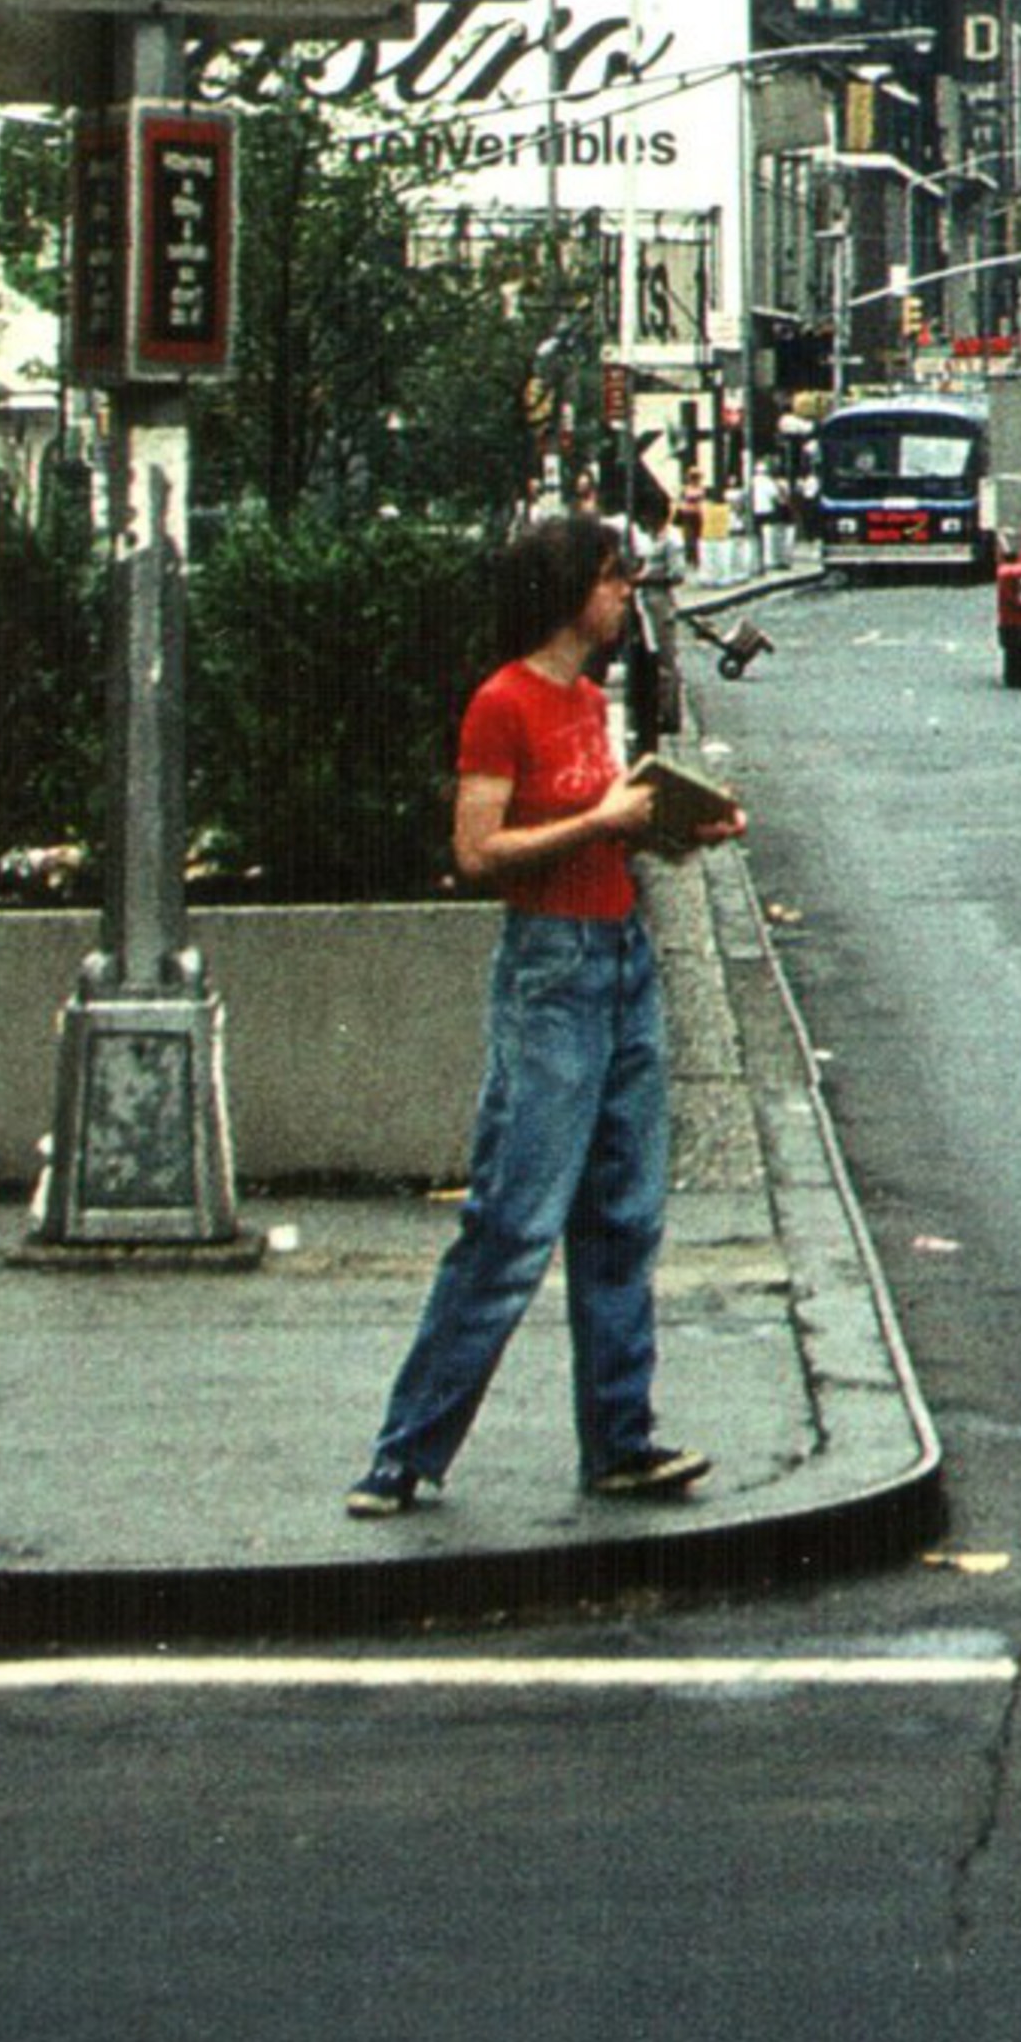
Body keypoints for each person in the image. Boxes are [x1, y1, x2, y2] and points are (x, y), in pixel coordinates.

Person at [346, 509, 745, 1521]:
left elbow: (598, 829)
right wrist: (602, 819)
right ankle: (405, 1453)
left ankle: (620, 1438)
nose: (624, 593)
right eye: (611, 578)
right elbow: (478, 851)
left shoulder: (586, 700)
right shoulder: (504, 704)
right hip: (552, 969)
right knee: (515, 1222)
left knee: (623, 1216)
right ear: (567, 593)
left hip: (621, 957)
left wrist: (672, 826)